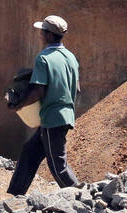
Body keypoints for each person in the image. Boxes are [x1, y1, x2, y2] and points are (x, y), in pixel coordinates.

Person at [6, 14, 80, 195]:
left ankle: (81, 197)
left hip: (51, 119)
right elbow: (77, 90)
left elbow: (38, 91)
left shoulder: (43, 58)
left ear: (49, 35)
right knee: (29, 153)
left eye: (42, 31)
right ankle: (15, 196)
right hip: (65, 115)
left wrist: (19, 105)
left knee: (57, 165)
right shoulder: (71, 57)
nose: (40, 34)